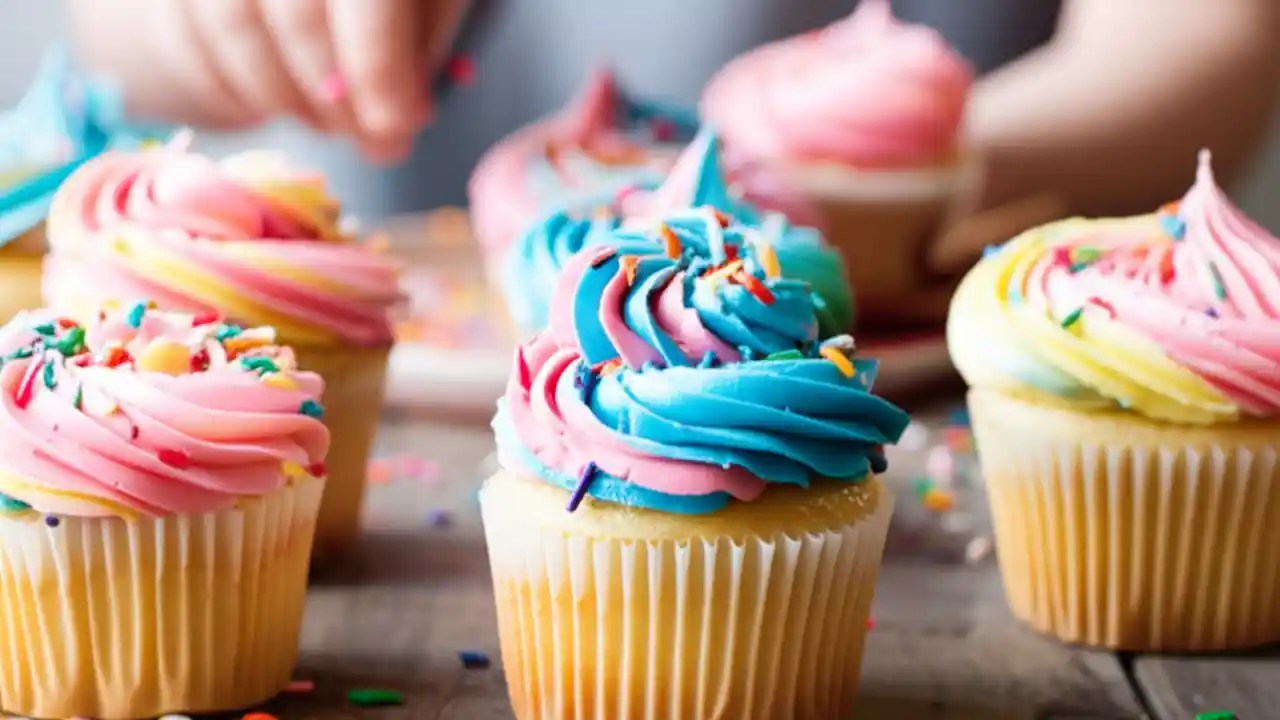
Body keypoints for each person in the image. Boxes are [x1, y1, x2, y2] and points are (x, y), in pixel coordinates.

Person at [65, 0, 1280, 220]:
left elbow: (1201, 43)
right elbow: (115, 43)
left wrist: (876, 181)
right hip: (431, 375)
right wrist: (225, 25)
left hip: (926, 391)